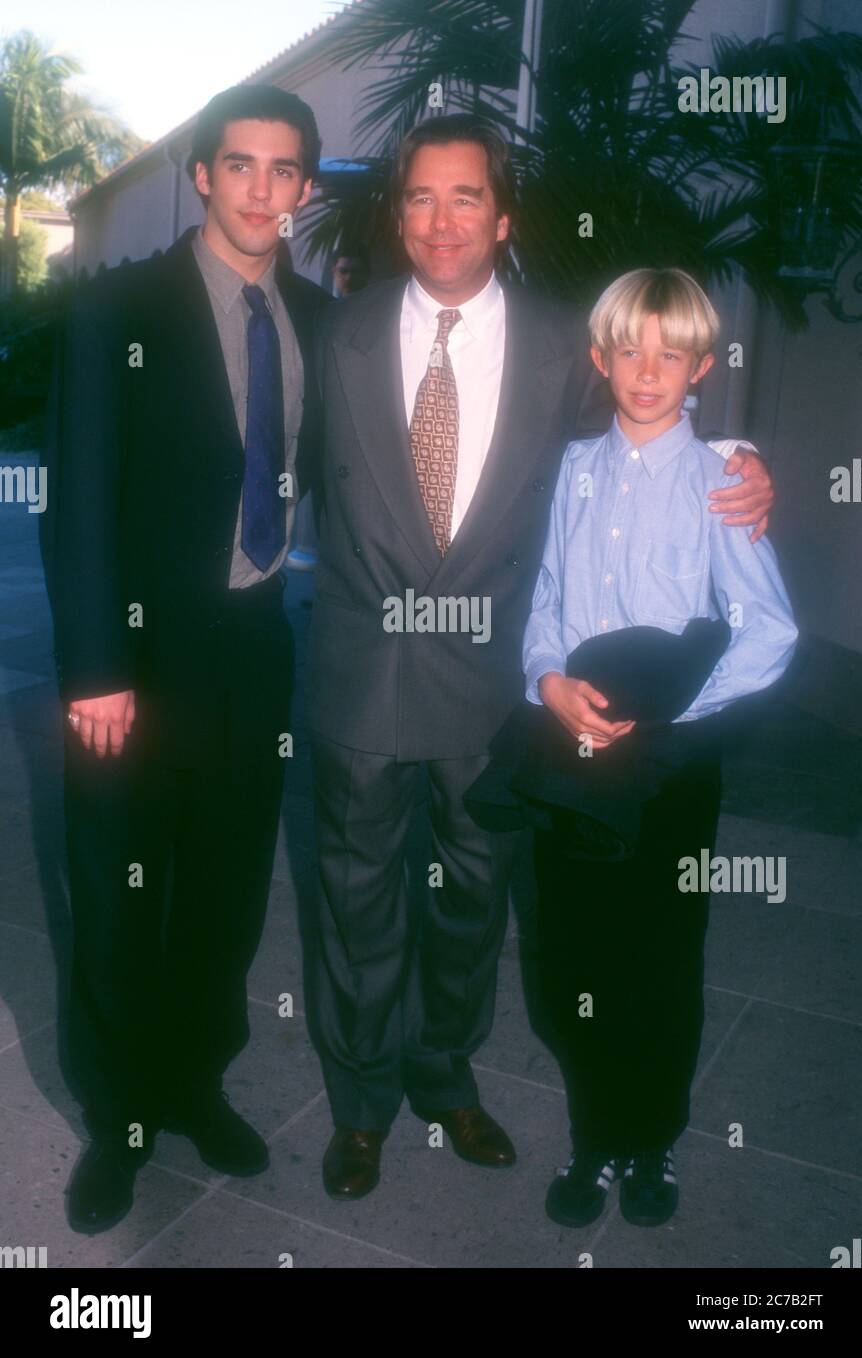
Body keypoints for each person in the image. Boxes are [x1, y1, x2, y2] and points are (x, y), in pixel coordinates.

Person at [307, 115, 775, 1201]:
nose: (440, 220)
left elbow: (649, 421)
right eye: (420, 196)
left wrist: (743, 464)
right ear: (397, 211)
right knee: (356, 902)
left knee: (475, 899)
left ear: (503, 216)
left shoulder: (569, 340)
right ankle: (361, 1104)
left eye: (466, 196)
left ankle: (444, 1075)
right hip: (359, 675)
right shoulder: (337, 332)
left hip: (495, 687)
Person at [40, 83, 329, 1234]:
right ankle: (119, 1121)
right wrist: (95, 664)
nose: (263, 189)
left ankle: (194, 1081)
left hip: (252, 648)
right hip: (134, 663)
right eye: (241, 166)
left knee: (221, 890)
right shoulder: (118, 311)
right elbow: (79, 502)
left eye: (285, 170)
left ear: (305, 188)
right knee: (118, 895)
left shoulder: (321, 318)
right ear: (201, 174)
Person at [522, 268, 798, 1229]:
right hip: (570, 752)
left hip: (669, 765)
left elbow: (769, 630)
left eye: (668, 354)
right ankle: (592, 1138)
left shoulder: (720, 477)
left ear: (700, 368)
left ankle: (649, 1141)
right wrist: (548, 681)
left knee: (658, 959)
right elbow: (543, 600)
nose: (647, 371)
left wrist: (681, 724)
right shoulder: (567, 471)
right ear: (600, 360)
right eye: (628, 351)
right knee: (570, 961)